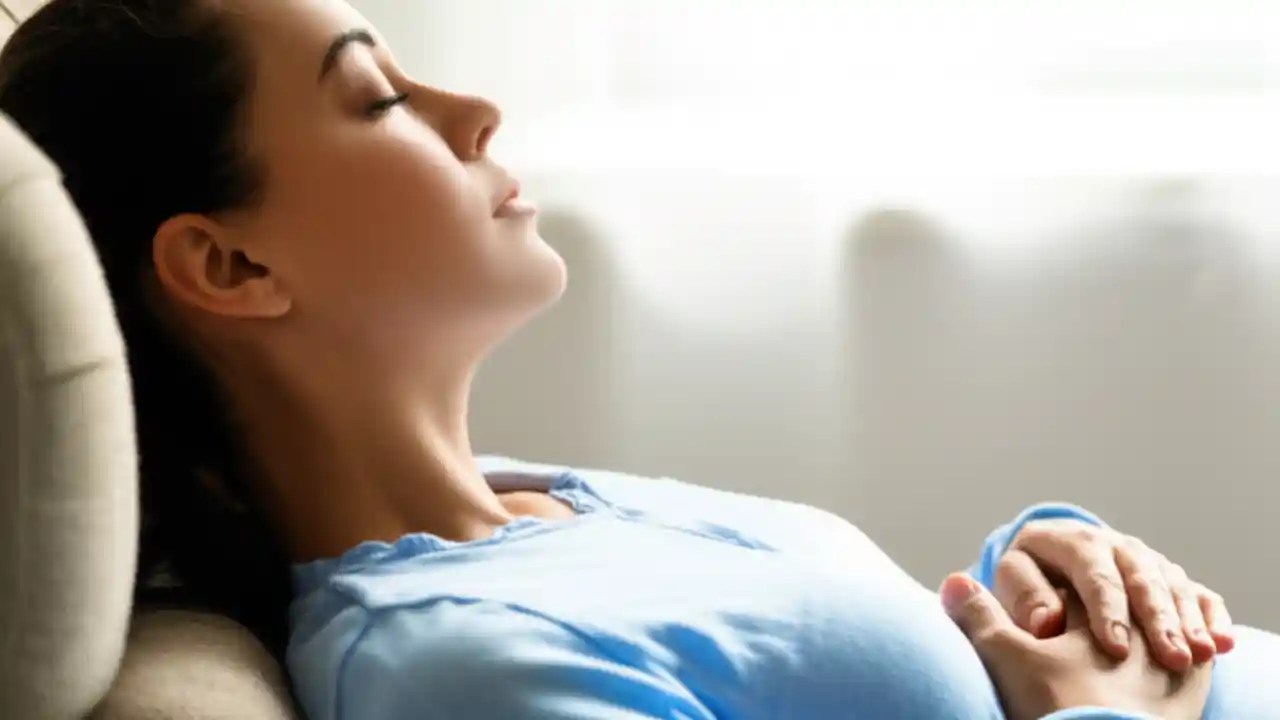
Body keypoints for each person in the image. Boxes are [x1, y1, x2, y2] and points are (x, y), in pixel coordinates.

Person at [0, 1, 1274, 718]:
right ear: (231, 266)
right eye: (379, 99)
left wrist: (1048, 573)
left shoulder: (542, 511)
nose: (475, 112)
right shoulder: (459, 667)